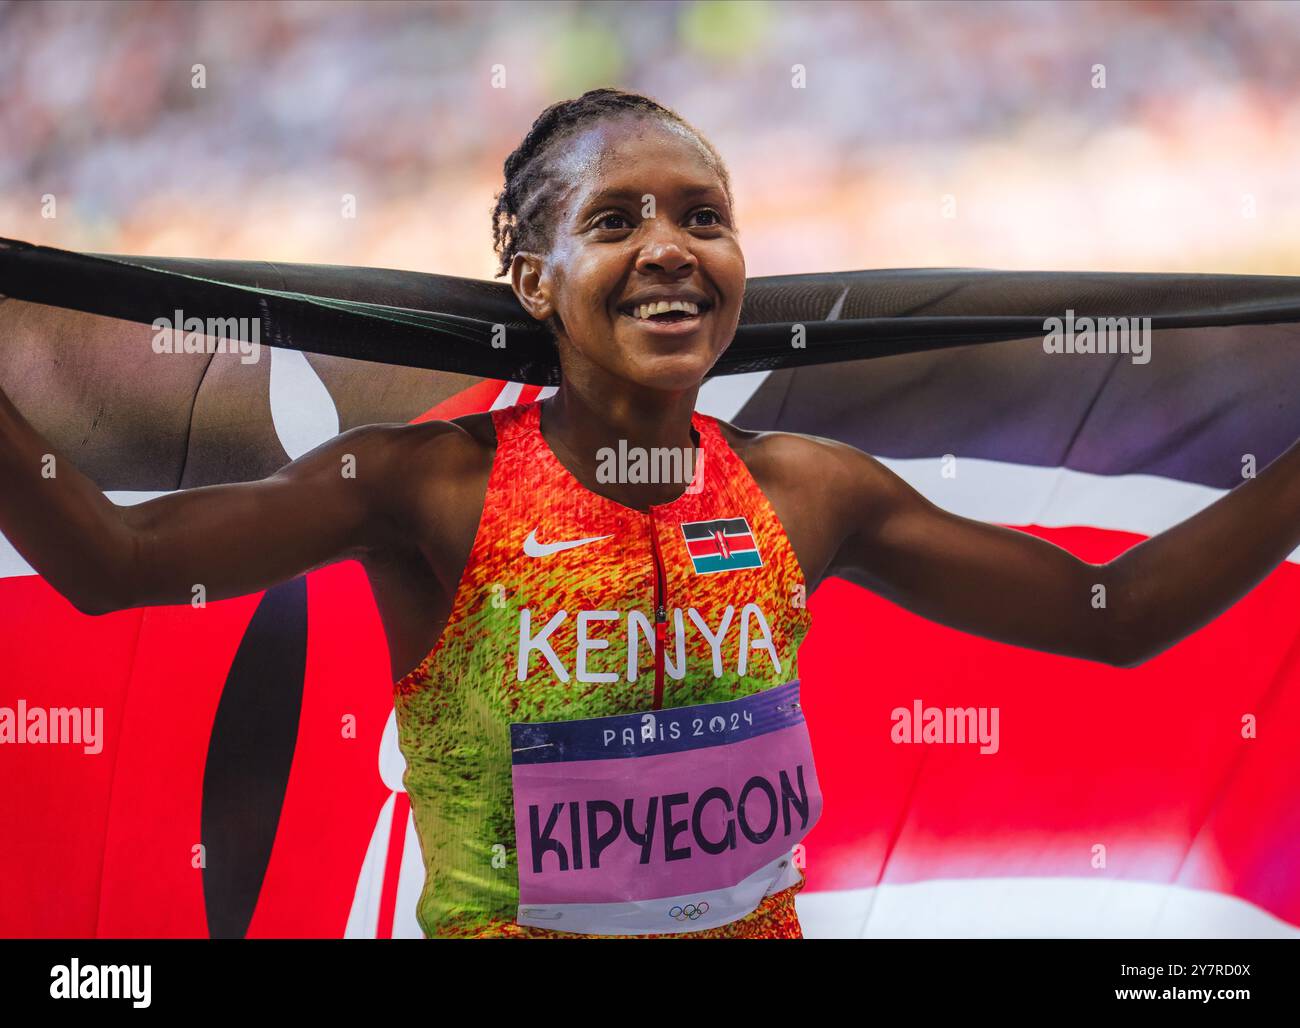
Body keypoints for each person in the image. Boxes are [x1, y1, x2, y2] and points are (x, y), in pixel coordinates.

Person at [2, 87, 1298, 939]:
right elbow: (116, 565)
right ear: (532, 278)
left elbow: (1112, 617)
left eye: (705, 217)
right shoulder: (424, 484)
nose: (673, 245)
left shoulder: (807, 487)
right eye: (615, 219)